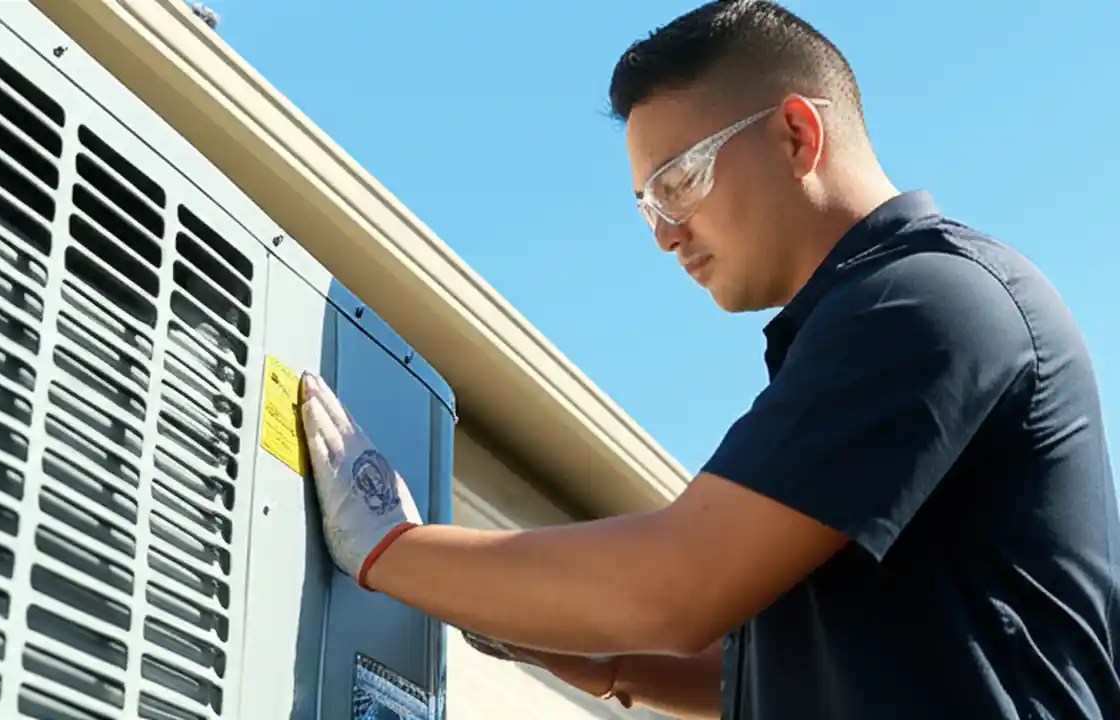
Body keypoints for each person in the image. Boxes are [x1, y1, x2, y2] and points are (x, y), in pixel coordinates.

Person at [297, 1, 1120, 718]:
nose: (663, 232)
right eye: (647, 203)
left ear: (797, 133)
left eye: (680, 181)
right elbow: (781, 663)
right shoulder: (877, 328)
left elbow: (678, 585)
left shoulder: (929, 304)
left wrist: (388, 549)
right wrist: (605, 659)